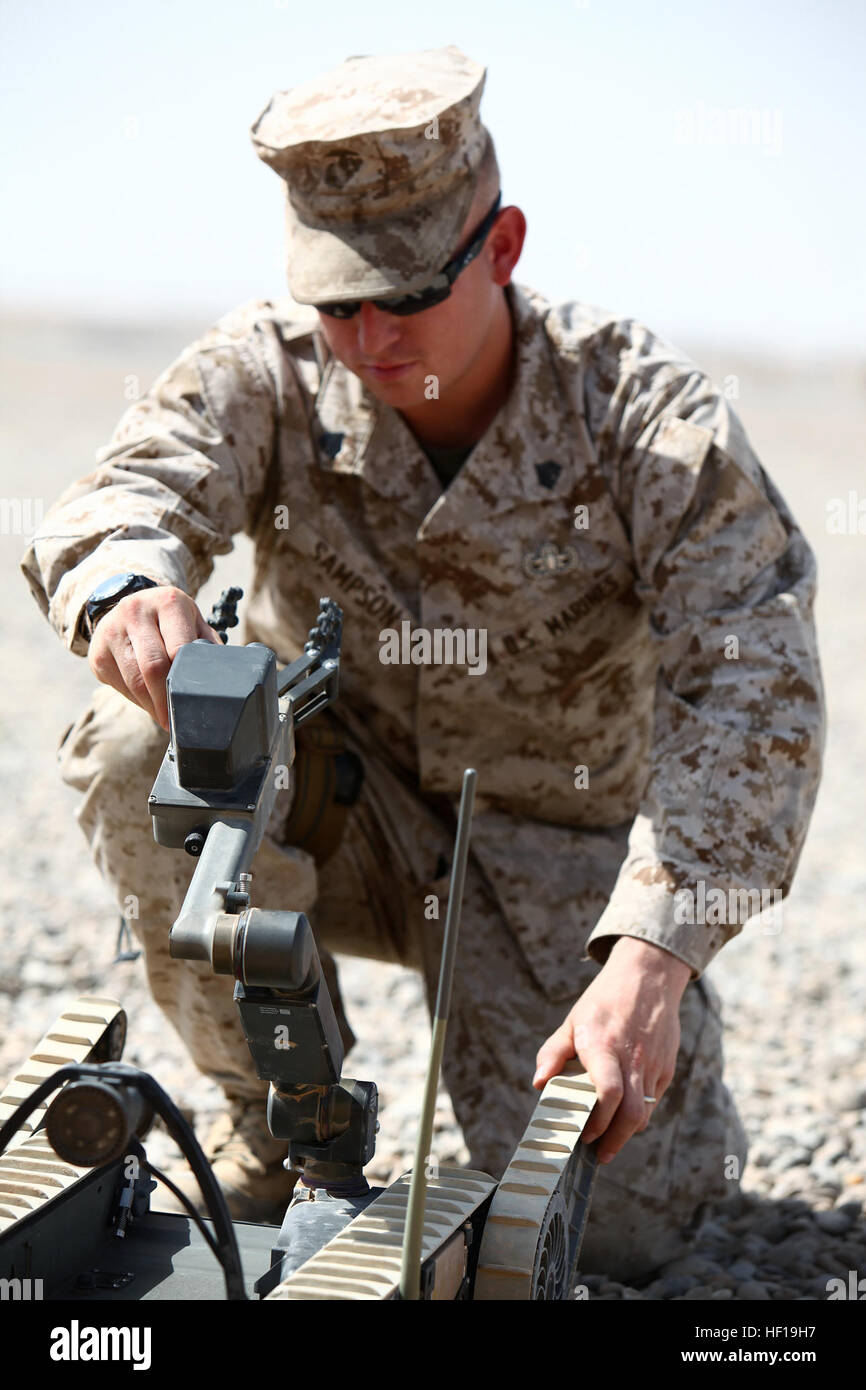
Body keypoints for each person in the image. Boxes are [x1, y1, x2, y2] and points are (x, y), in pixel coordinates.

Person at [20, 45, 824, 1281]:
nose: (371, 337)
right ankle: (287, 1129)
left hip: (553, 855)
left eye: (404, 294)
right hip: (329, 809)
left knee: (614, 1225)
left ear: (500, 249)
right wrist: (129, 588)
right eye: (339, 304)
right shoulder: (268, 371)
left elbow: (753, 677)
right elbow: (119, 497)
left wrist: (654, 959)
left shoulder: (642, 417)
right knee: (142, 747)